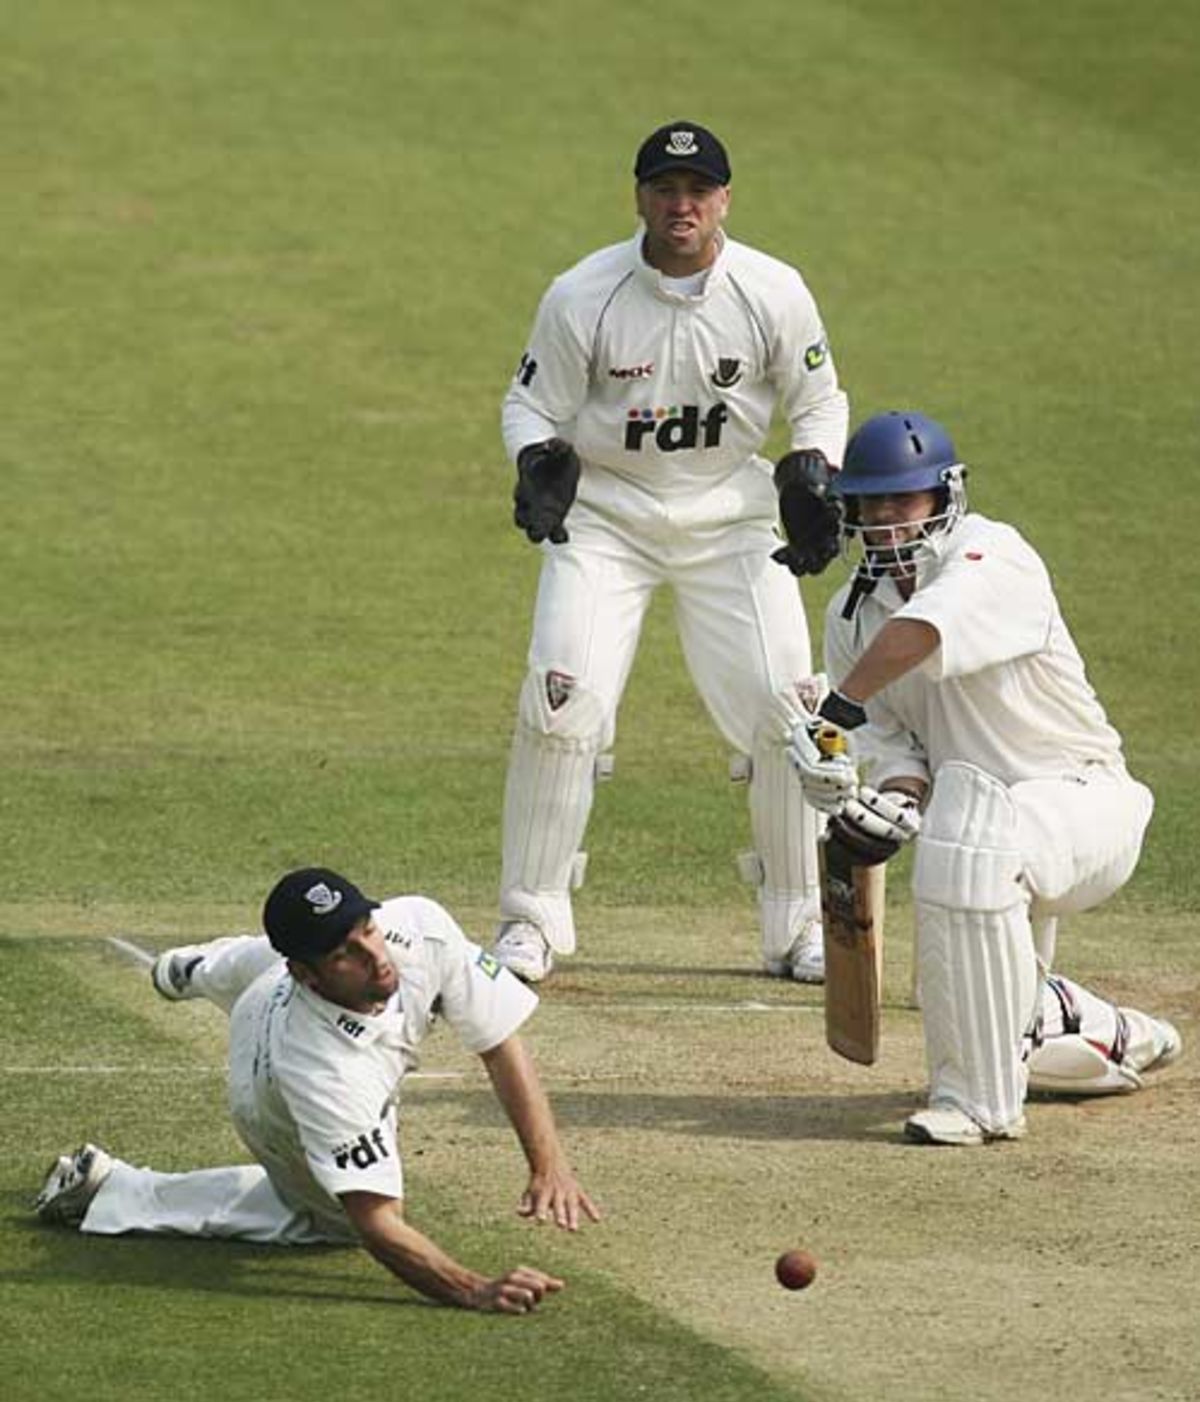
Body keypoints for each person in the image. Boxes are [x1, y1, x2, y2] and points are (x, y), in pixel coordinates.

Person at [495, 119, 849, 985]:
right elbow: (529, 406)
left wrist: (814, 473)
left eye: (698, 191)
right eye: (664, 189)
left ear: (724, 198)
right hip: (608, 521)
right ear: (640, 197)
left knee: (787, 710)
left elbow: (821, 399)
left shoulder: (772, 290)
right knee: (562, 702)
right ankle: (531, 922)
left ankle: (799, 925)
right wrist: (538, 463)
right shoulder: (586, 295)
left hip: (729, 515)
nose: (680, 205)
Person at [787, 410, 1182, 1145]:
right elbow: (899, 752)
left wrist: (838, 708)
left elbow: (923, 636)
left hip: (1084, 803)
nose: (882, 520)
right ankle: (1110, 1028)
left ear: (944, 497)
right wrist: (883, 805)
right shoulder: (851, 616)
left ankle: (977, 1104)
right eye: (867, 504)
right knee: (967, 986)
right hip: (981, 832)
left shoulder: (994, 555)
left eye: (899, 502)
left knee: (968, 845)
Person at [35, 867, 599, 1313]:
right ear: (309, 975)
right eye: (344, 953)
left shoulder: (418, 925)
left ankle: (181, 969)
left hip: (260, 972)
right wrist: (473, 1288)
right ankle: (113, 1189)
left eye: (366, 929)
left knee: (234, 963)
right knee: (334, 1221)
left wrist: (548, 1166)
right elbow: (378, 1226)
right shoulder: (322, 1076)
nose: (373, 954)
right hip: (266, 1086)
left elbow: (499, 1042)